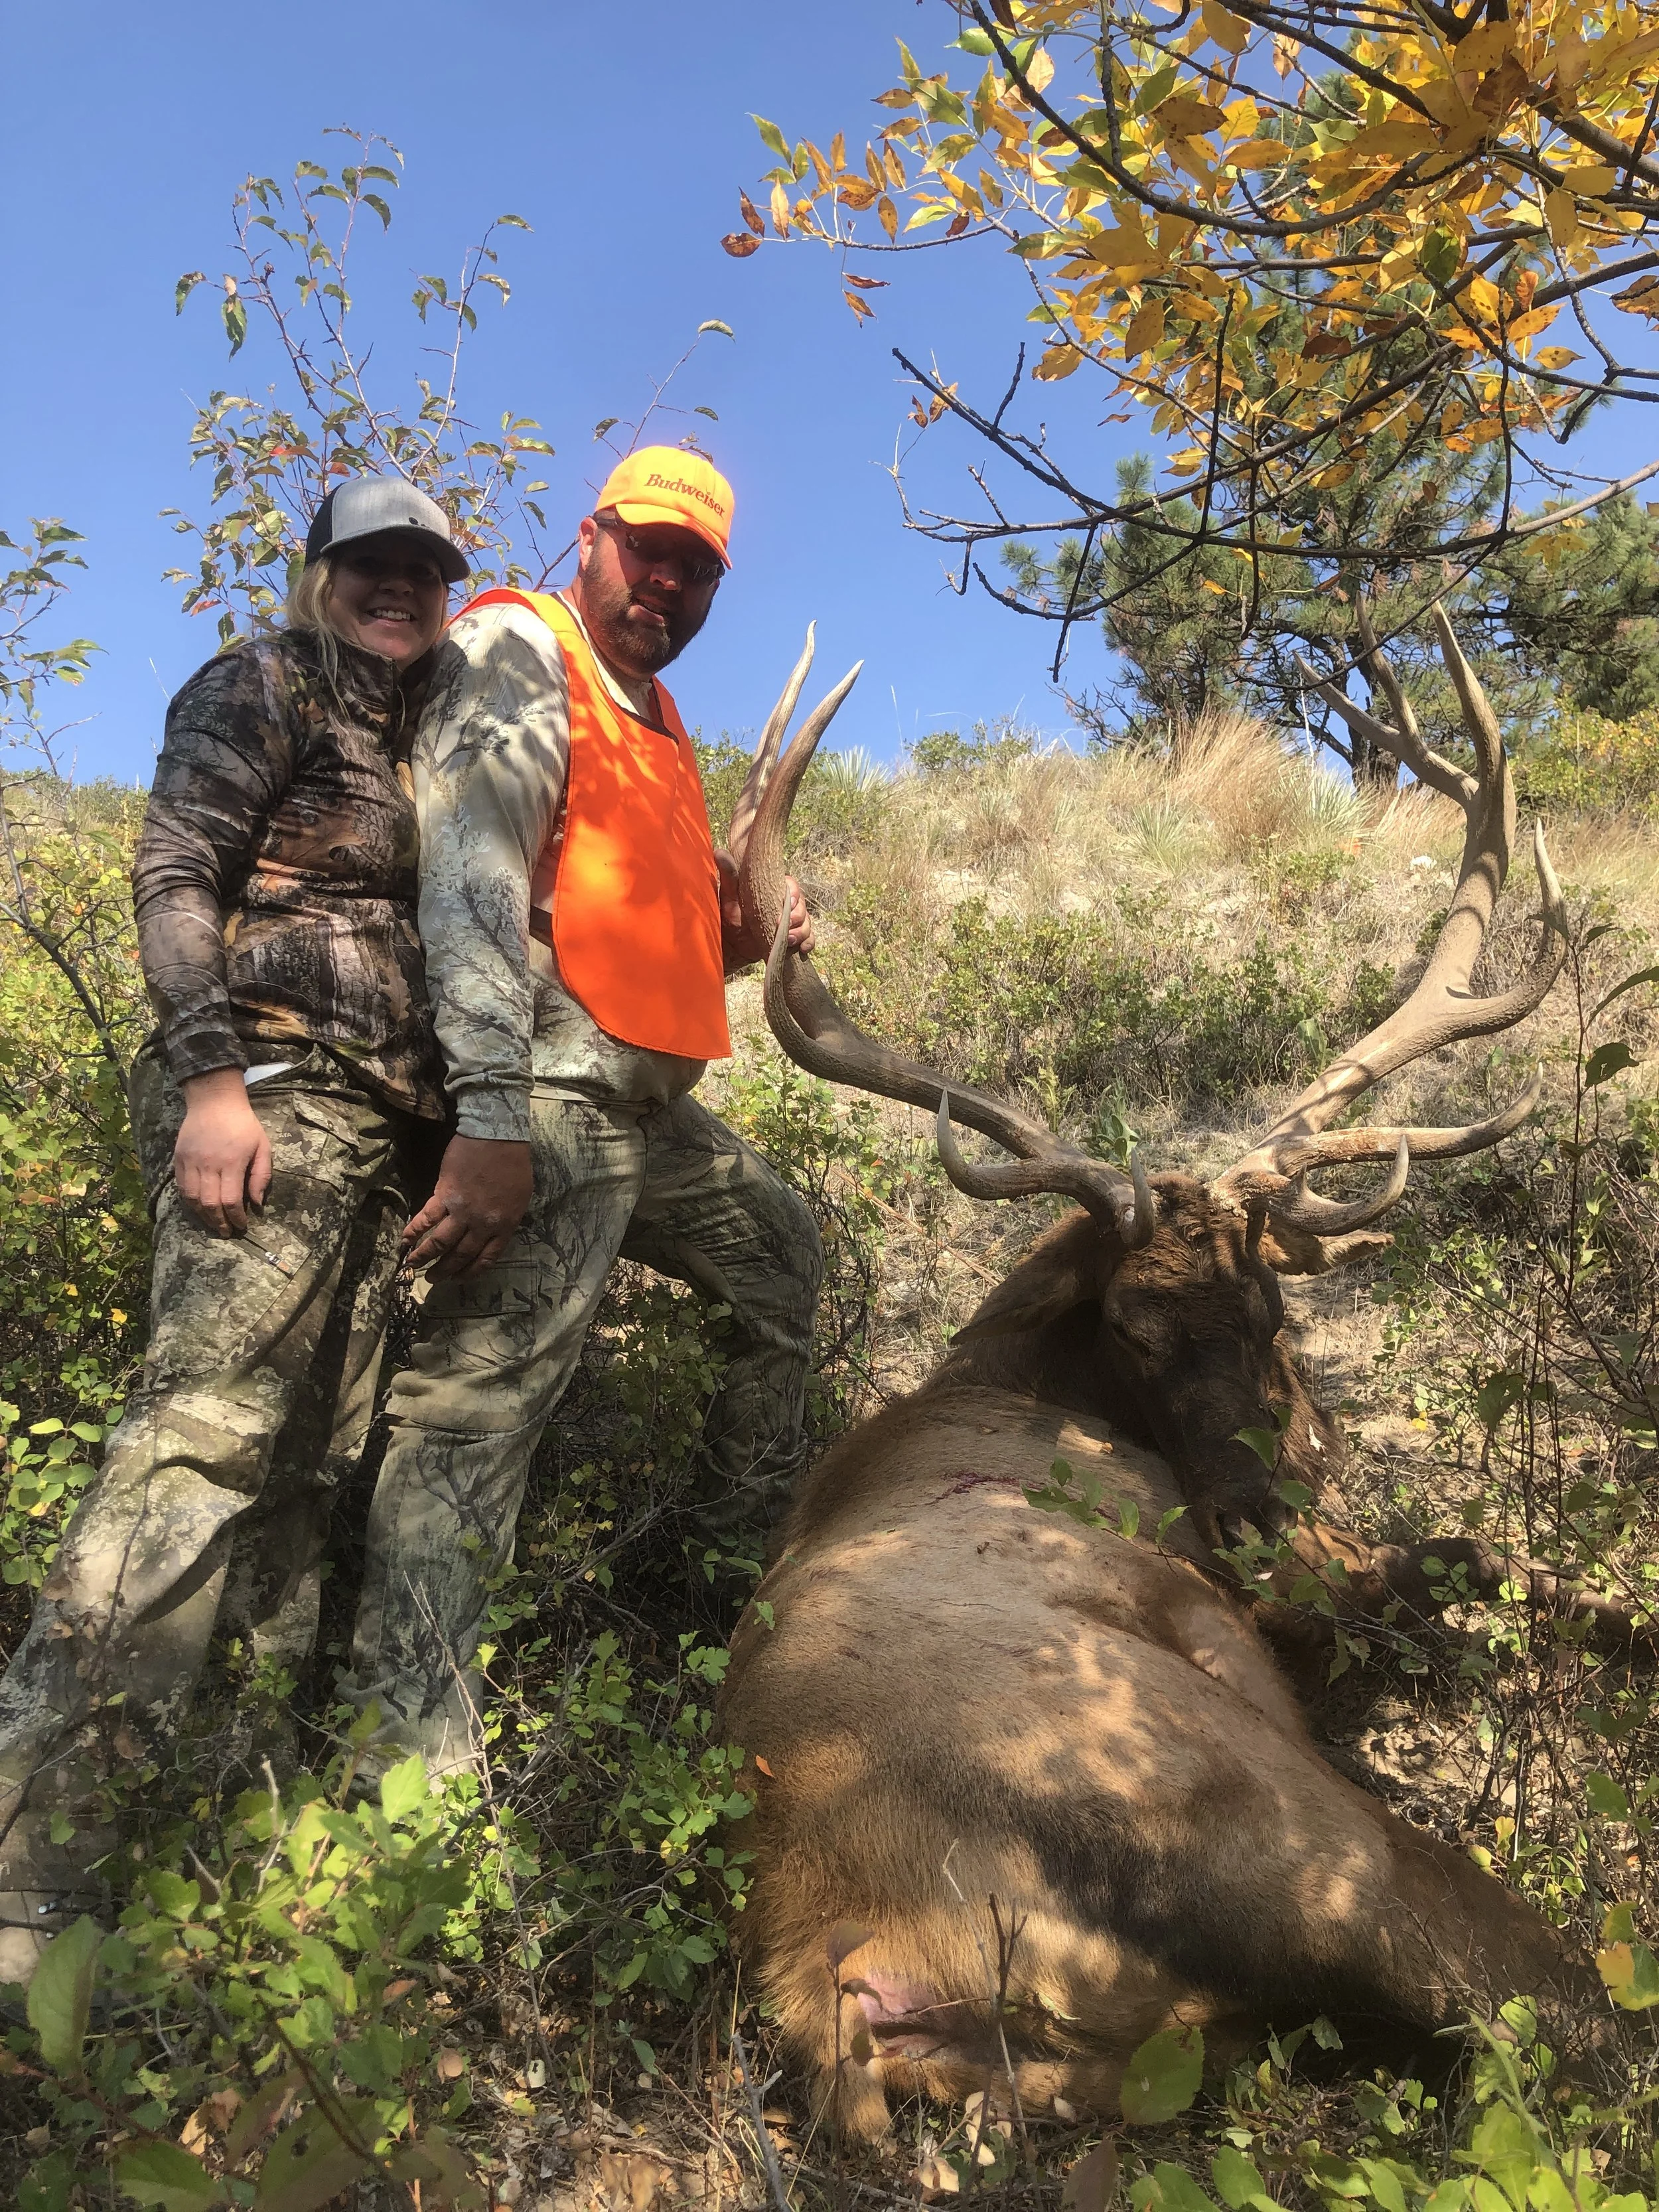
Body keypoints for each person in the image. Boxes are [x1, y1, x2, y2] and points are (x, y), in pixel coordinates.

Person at [0, 476, 468, 1985]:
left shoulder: (420, 741)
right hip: (268, 1089)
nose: (399, 586)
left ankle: (209, 1837)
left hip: (378, 1140)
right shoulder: (260, 681)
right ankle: (25, 1870)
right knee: (197, 1445)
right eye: (371, 563)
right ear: (317, 571)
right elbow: (173, 872)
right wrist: (213, 1082)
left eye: (423, 569)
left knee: (305, 1477)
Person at [341, 447, 824, 1775]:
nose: (665, 580)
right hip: (546, 1092)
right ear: (589, 538)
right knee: (475, 1414)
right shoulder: (514, 646)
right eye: (647, 548)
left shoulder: (656, 717)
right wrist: (488, 1118)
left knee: (782, 1258)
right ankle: (402, 1769)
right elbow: (474, 879)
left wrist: (745, 925)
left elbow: (633, 922)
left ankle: (718, 1581)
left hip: (644, 1097)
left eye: (696, 566)